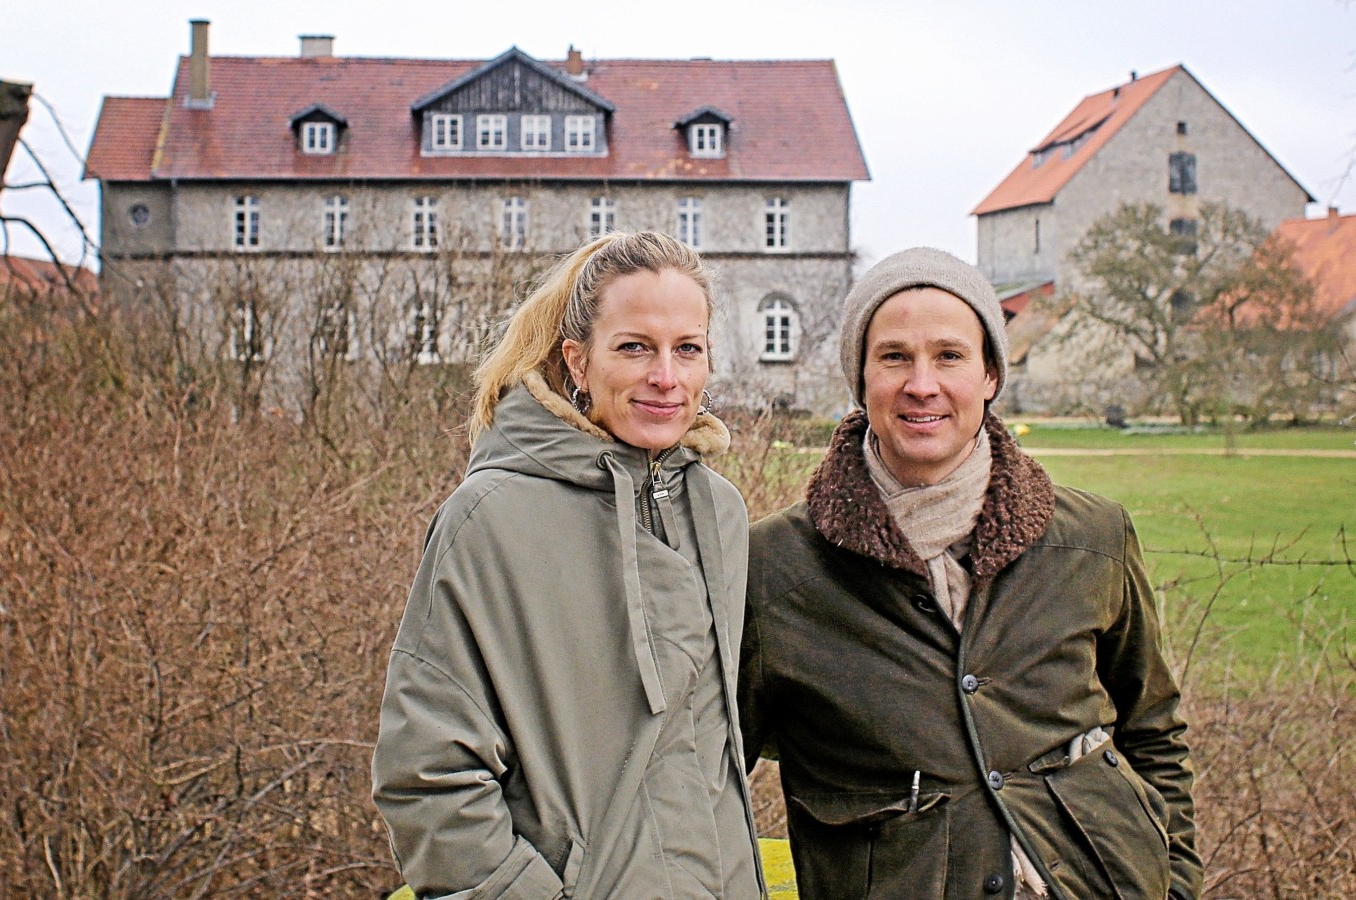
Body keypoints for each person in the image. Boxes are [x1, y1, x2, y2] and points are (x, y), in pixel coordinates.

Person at [739, 247, 1201, 899]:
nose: (922, 384)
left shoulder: (1092, 539)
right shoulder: (774, 570)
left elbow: (1153, 730)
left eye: (949, 356)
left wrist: (1176, 882)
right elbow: (706, 778)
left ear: (989, 374)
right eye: (894, 357)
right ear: (860, 378)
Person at [372, 231, 764, 899]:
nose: (666, 376)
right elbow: (427, 777)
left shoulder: (718, 511)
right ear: (577, 362)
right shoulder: (490, 518)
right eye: (634, 347)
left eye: (687, 348)